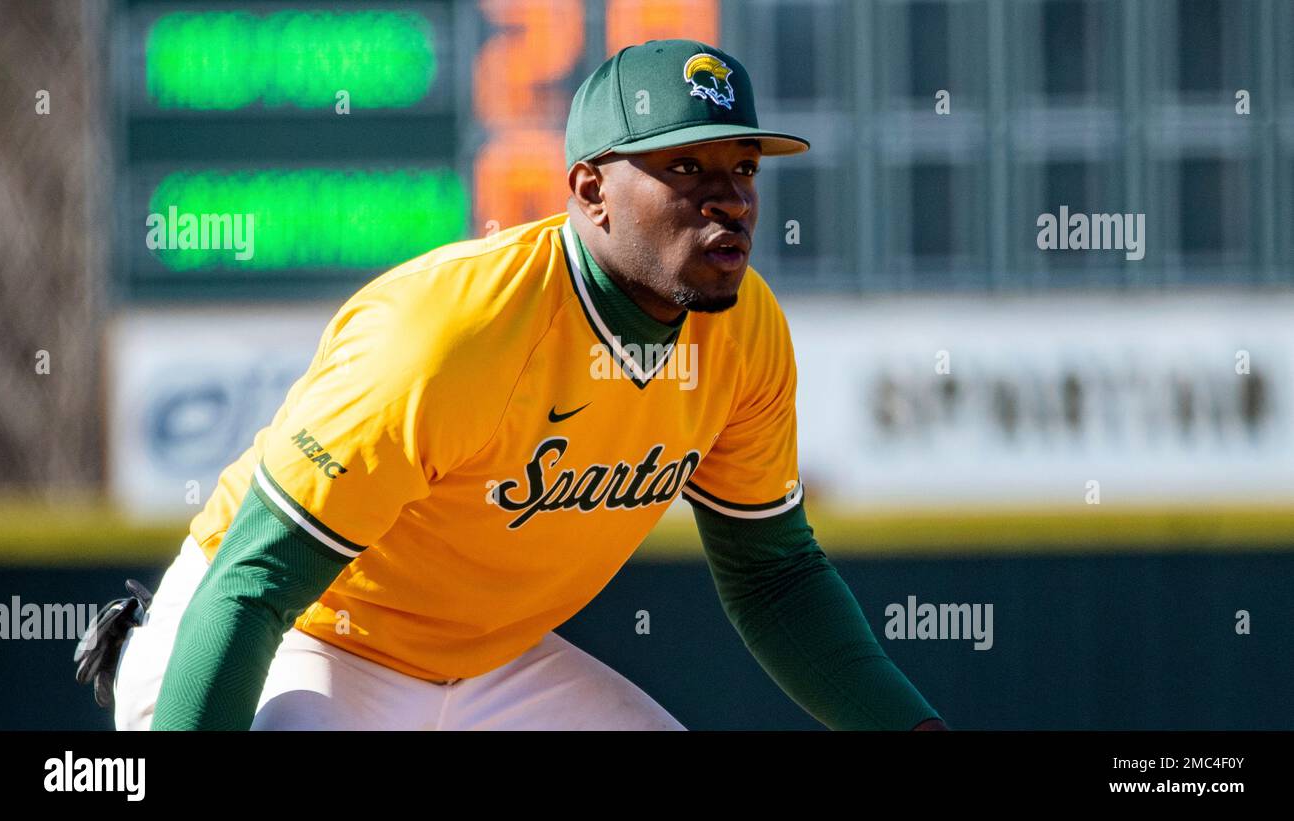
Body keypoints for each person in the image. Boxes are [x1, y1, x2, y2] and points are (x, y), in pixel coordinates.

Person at [101, 39, 947, 731]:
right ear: (592, 191)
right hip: (294, 634)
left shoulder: (743, 331)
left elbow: (776, 577)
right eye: (687, 167)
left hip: (487, 664)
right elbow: (250, 586)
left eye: (745, 166)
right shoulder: (450, 334)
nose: (730, 199)